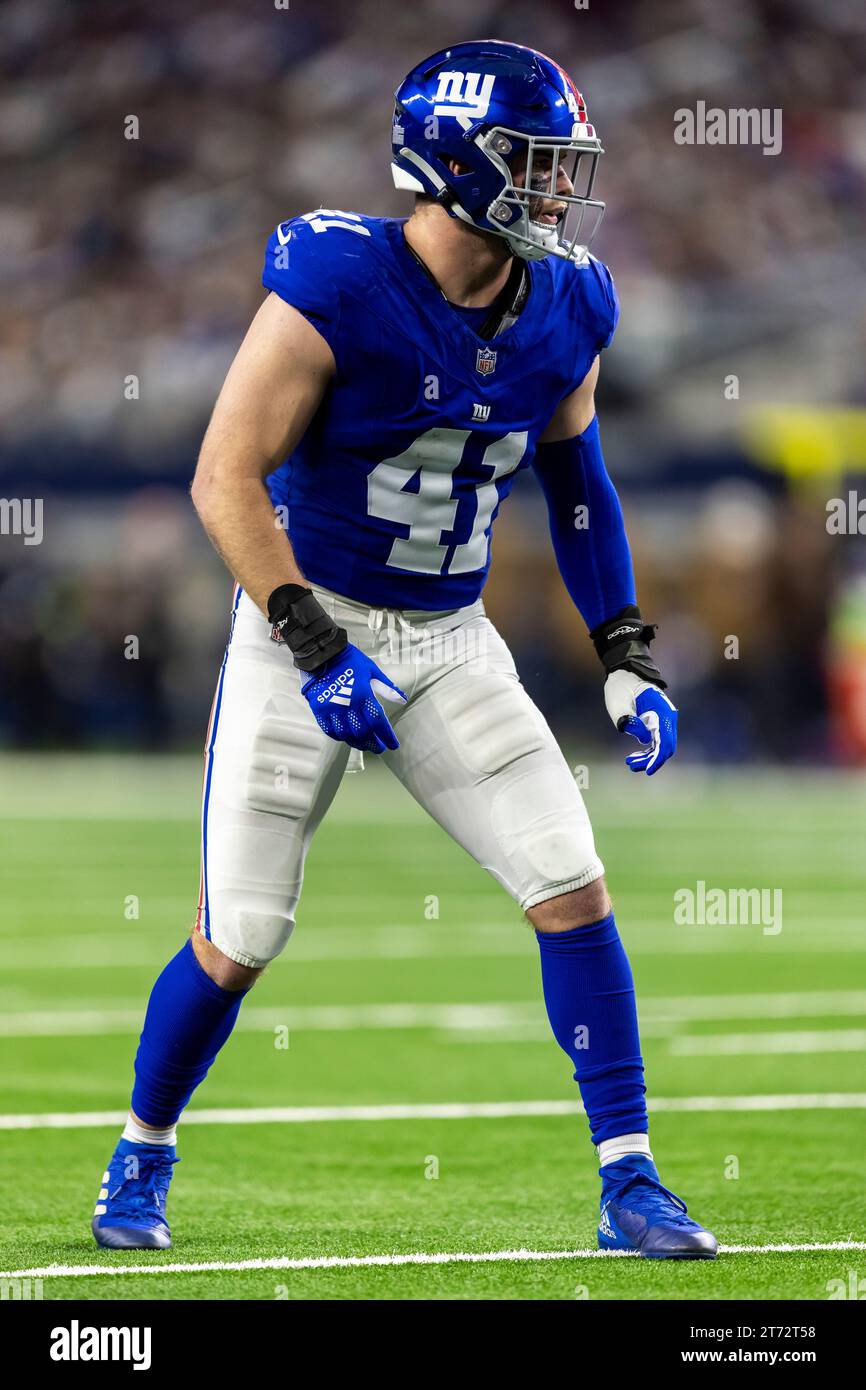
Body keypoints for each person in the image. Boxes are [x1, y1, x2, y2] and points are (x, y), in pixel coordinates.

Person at [92, 39, 715, 1260]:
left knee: (568, 879)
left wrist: (625, 649)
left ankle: (629, 1179)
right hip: (297, 623)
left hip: (449, 638)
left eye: (559, 168)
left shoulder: (570, 302)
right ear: (450, 161)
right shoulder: (335, 279)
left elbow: (576, 480)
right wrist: (316, 644)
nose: (555, 193)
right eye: (532, 166)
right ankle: (142, 1149)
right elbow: (223, 481)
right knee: (243, 933)